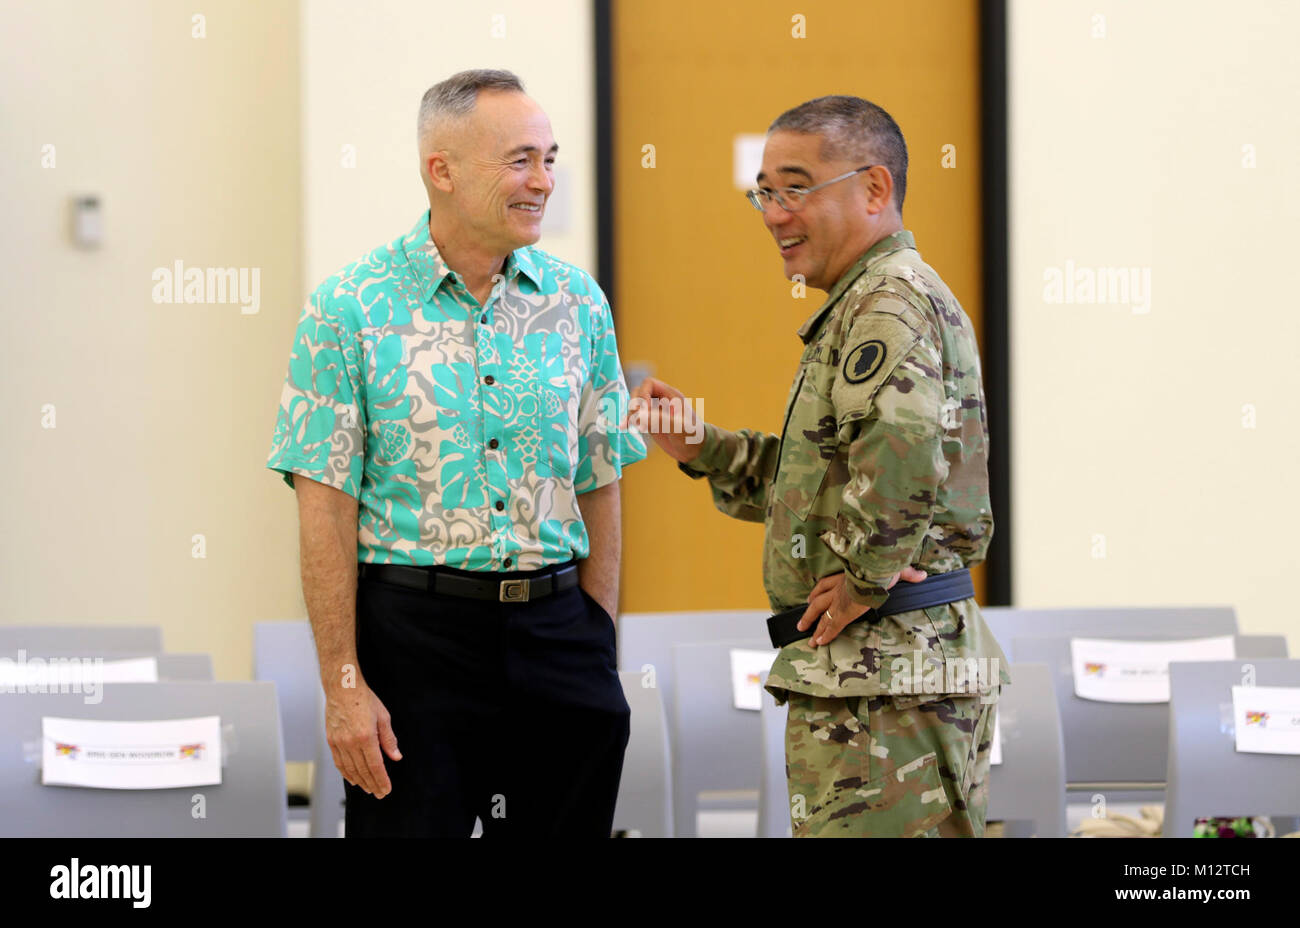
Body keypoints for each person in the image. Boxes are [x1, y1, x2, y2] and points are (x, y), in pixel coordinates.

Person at [265, 69, 645, 837]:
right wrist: (344, 685)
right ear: (441, 170)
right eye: (519, 160)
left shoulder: (579, 303)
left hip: (559, 638)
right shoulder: (348, 309)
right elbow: (325, 511)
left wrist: (599, 640)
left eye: (549, 157)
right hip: (413, 646)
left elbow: (600, 480)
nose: (543, 181)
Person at [632, 95, 1010, 837]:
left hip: (887, 682)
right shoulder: (864, 301)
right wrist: (703, 447)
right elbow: (830, 479)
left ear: (874, 188)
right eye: (765, 192)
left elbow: (903, 454)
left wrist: (867, 576)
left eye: (796, 188)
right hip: (881, 678)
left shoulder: (886, 303)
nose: (774, 214)